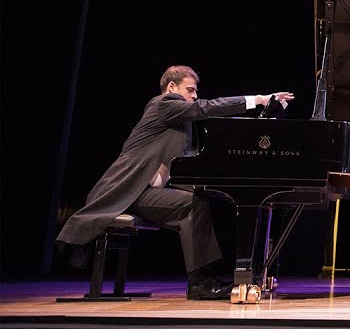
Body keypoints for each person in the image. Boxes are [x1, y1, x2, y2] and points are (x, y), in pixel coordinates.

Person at [56, 65, 294, 300]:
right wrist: (258, 99)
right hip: (125, 192)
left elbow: (189, 161)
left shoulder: (179, 123)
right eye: (190, 89)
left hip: (142, 193)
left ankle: (203, 280)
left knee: (194, 205)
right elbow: (206, 107)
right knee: (192, 205)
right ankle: (200, 282)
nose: (195, 95)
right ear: (171, 87)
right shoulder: (162, 104)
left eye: (196, 90)